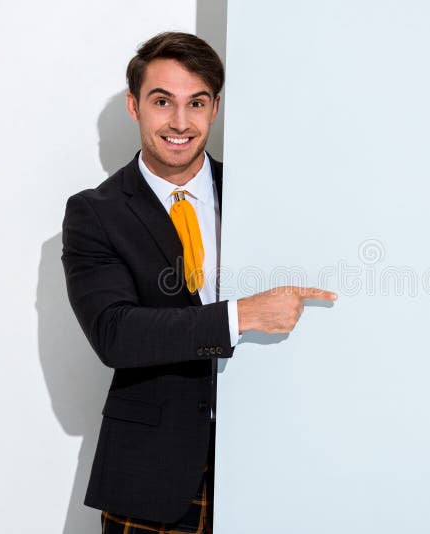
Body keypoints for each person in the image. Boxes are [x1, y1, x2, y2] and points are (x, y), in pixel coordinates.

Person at [61, 32, 336, 533]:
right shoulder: (94, 213)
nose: (181, 123)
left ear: (215, 108)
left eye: (197, 103)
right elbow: (115, 334)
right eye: (162, 101)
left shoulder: (258, 194)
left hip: (274, 462)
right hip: (152, 474)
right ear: (134, 105)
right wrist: (243, 315)